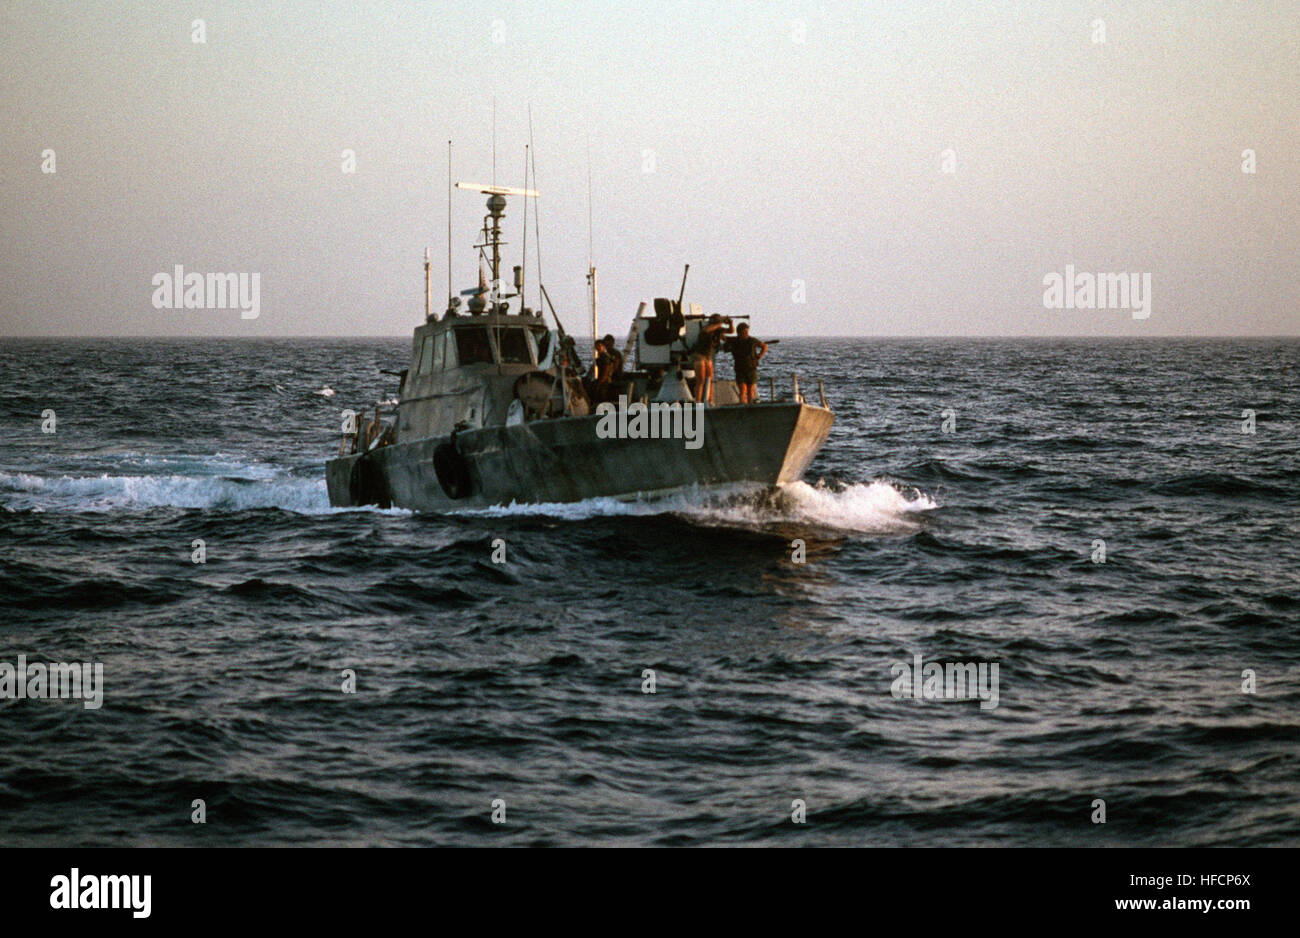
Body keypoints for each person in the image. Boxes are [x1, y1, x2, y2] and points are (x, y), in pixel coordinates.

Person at [689, 314, 732, 404]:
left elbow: (731, 331)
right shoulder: (706, 329)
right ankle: (698, 401)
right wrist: (720, 323)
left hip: (708, 357)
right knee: (701, 380)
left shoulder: (718, 330)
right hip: (699, 356)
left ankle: (709, 400)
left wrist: (730, 323)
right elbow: (705, 331)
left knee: (709, 380)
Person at [723, 322, 768, 404]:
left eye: (747, 332)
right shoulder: (734, 341)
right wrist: (729, 325)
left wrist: (759, 356)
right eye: (744, 332)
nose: (746, 334)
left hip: (751, 368)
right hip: (740, 369)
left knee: (751, 390)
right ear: (739, 333)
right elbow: (723, 337)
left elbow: (764, 346)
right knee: (743, 390)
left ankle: (750, 406)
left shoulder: (752, 341)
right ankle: (743, 406)